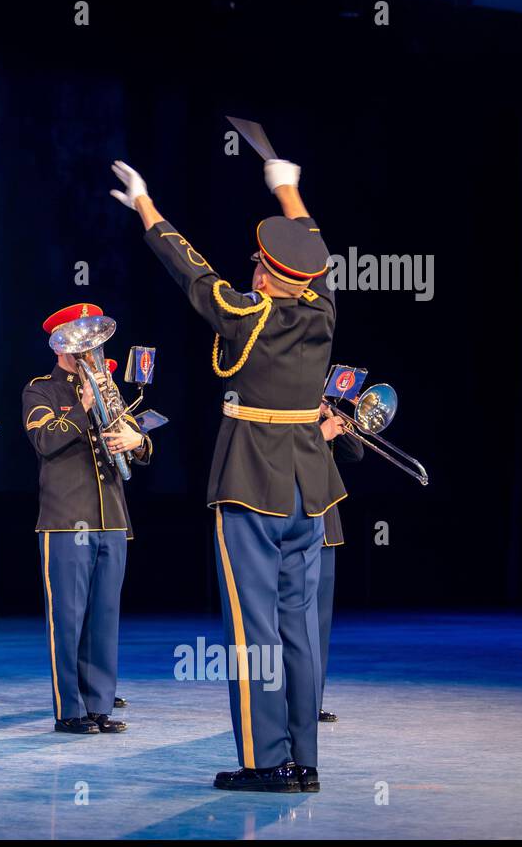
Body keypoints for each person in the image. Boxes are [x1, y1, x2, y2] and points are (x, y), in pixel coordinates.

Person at [112, 154, 344, 792]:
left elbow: (188, 268)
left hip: (254, 481)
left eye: (259, 265)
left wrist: (145, 205)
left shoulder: (249, 314)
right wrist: (288, 186)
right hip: (312, 489)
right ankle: (306, 762)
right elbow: (315, 248)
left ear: (268, 274)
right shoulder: (322, 309)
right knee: (299, 627)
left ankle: (266, 762)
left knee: (254, 631)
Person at [23, 303, 150, 735]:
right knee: (69, 617)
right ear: (60, 343)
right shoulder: (40, 391)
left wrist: (139, 441)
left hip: (112, 516)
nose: (89, 349)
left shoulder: (107, 386)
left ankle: (99, 706)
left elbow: (136, 444)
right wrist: (81, 407)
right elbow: (45, 440)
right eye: (80, 339)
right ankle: (70, 710)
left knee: (104, 616)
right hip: (65, 519)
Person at [315, 403, 363, 722]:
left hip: (324, 528)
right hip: (289, 524)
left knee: (318, 626)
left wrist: (333, 418)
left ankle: (310, 701)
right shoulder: (283, 407)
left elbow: (355, 452)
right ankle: (280, 703)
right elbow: (277, 453)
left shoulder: (320, 413)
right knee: (284, 625)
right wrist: (320, 434)